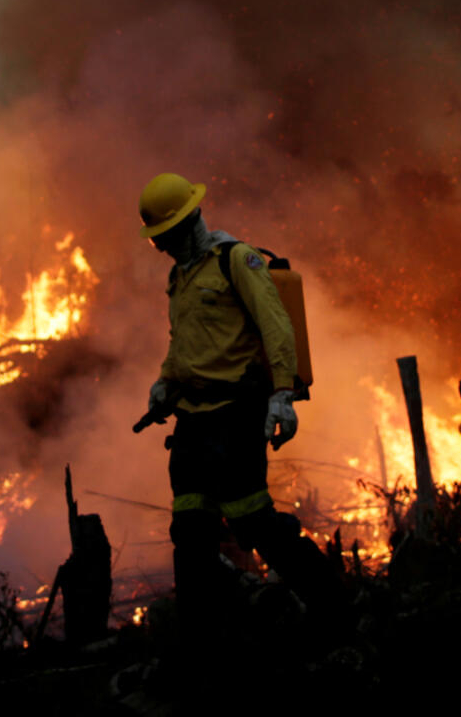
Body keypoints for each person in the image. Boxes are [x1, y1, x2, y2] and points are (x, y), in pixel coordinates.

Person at [137, 171, 346, 646]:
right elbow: (184, 342)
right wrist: (164, 383)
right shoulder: (180, 278)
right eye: (157, 243)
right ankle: (201, 644)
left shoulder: (238, 261)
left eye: (166, 238)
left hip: (235, 416)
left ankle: (333, 609)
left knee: (256, 524)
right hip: (192, 421)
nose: (164, 249)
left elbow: (276, 328)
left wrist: (281, 396)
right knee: (190, 532)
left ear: (190, 222)